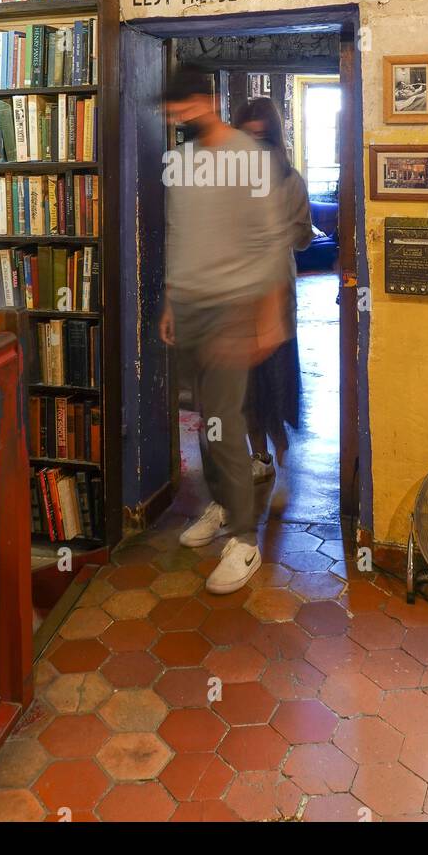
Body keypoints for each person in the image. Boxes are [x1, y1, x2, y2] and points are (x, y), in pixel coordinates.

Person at [160, 70, 287, 594]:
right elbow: (178, 236)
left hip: (233, 309)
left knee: (225, 423)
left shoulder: (249, 156)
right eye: (170, 111)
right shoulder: (181, 162)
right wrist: (171, 302)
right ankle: (219, 505)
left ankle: (244, 540)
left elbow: (271, 242)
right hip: (189, 307)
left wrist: (269, 318)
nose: (177, 117)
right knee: (203, 422)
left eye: (183, 105)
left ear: (207, 101)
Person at [236, 97, 313, 480]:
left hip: (275, 290)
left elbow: (303, 238)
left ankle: (279, 435)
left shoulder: (291, 181)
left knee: (276, 375)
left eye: (261, 138)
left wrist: (273, 231)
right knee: (246, 384)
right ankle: (260, 455)